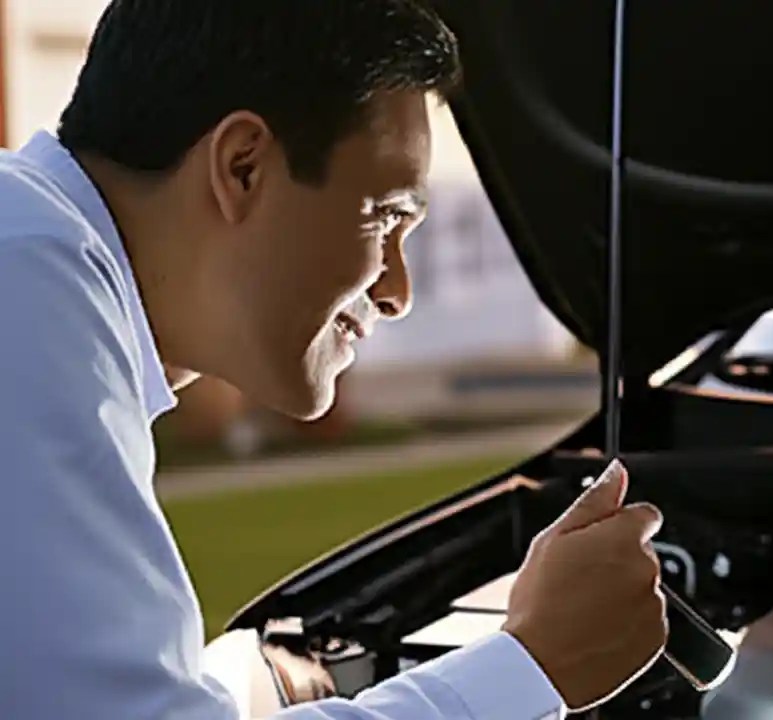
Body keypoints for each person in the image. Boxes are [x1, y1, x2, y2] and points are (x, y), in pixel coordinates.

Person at [0, 1, 667, 718]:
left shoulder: (35, 256)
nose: (397, 292)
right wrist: (533, 668)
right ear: (243, 166)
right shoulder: (30, 281)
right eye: (384, 218)